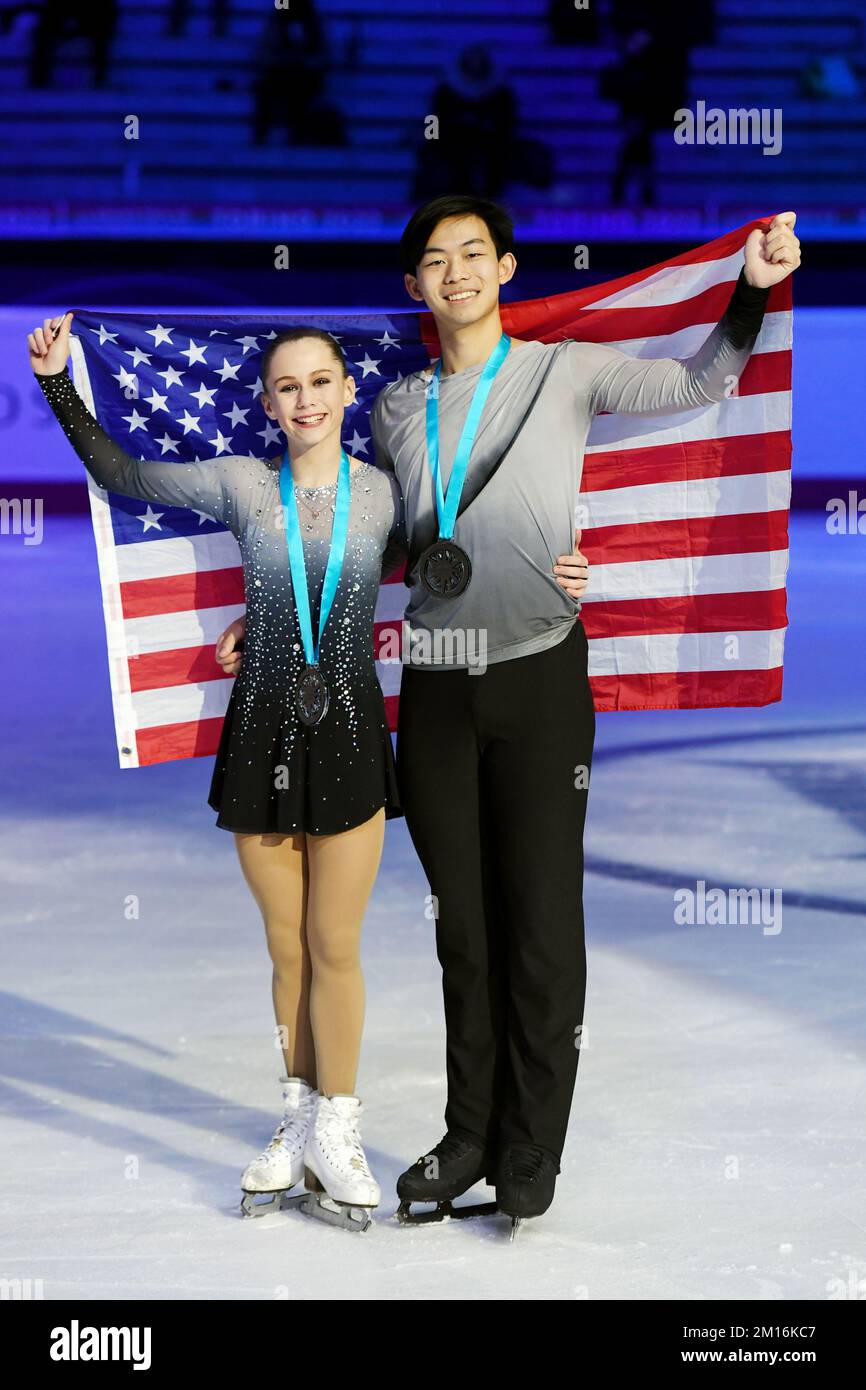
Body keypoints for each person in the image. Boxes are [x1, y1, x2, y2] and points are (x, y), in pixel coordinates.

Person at [220, 195, 800, 1237]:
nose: (455, 273)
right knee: (464, 930)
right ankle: (469, 1132)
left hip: (537, 674)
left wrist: (750, 292)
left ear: (506, 267)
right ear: (414, 288)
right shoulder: (396, 407)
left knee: (537, 922)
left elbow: (697, 381)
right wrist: (272, 615)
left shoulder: (563, 368)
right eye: (435, 262)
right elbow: (386, 543)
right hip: (437, 680)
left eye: (472, 255)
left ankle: (531, 1144)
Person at [28, 318, 408, 1232]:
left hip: (352, 731)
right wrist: (55, 383)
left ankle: (340, 1128)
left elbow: (434, 558)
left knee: (335, 945)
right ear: (268, 403)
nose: (307, 399)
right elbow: (125, 475)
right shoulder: (243, 484)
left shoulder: (386, 492)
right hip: (263, 732)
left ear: (348, 391)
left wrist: (563, 569)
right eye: (288, 387)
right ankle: (298, 1119)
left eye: (323, 382)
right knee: (286, 949)